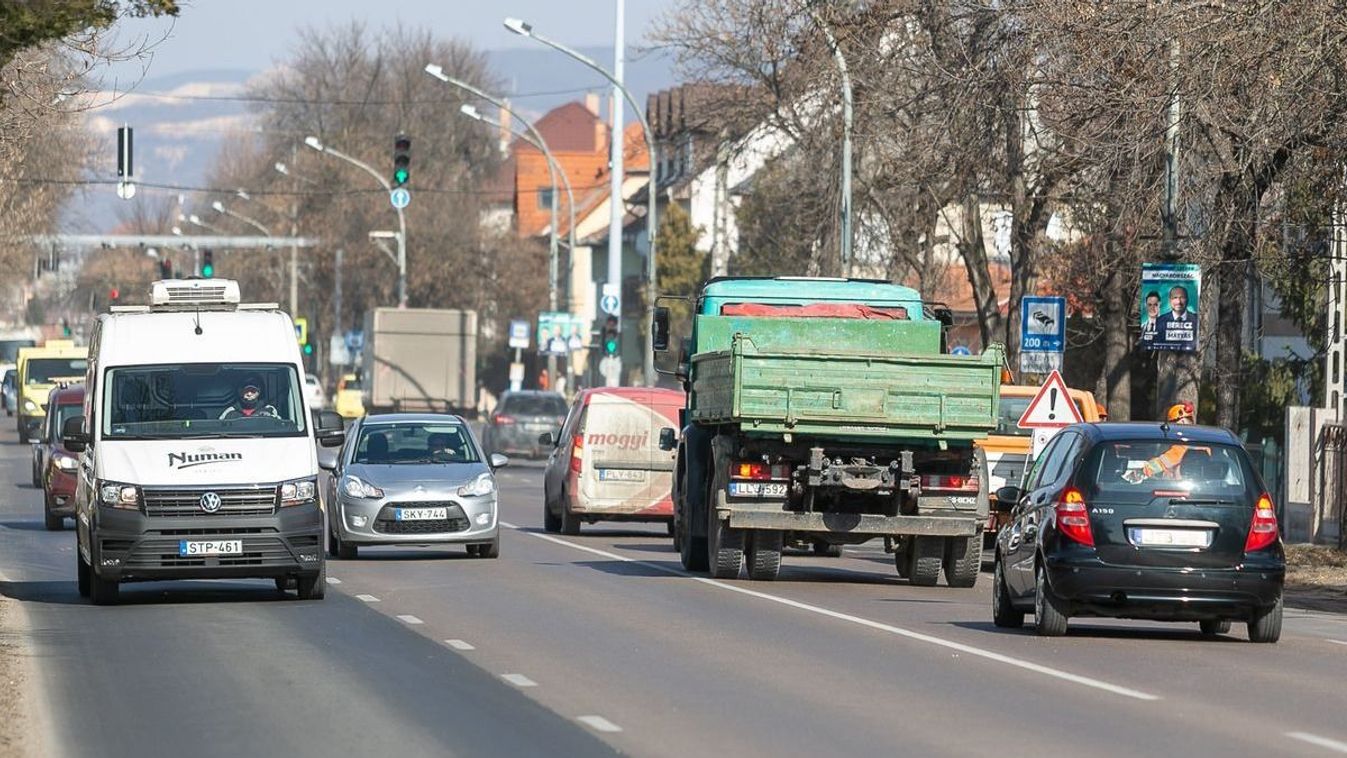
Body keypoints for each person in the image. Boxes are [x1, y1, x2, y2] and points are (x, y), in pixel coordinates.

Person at [1123, 402, 1195, 483]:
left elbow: (1164, 461)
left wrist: (1143, 472)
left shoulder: (1184, 444)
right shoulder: (1199, 439)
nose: (1172, 428)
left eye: (1173, 424)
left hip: (1181, 486)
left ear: (1182, 422)